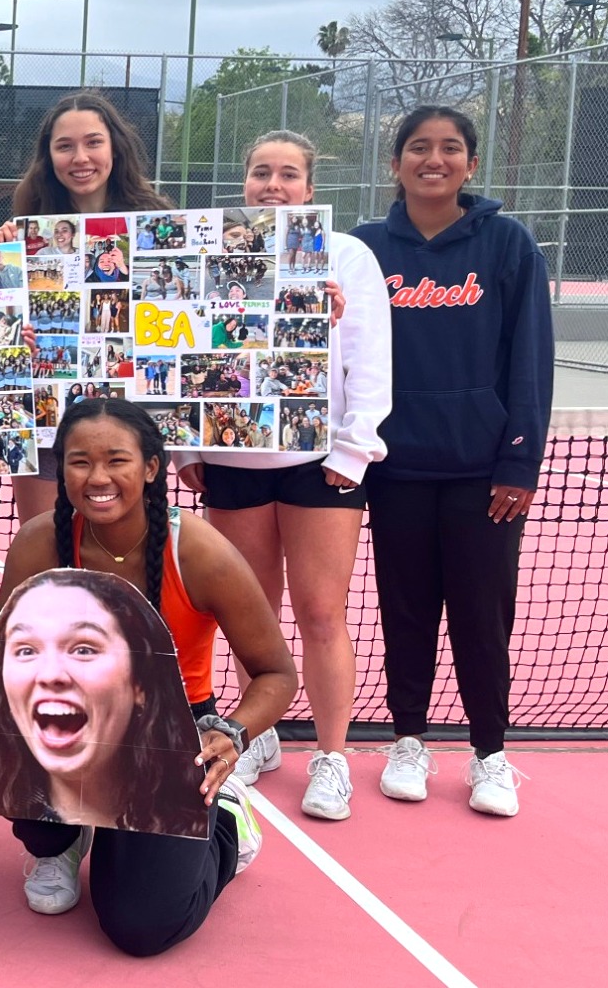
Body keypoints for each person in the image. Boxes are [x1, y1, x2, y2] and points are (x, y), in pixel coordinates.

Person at [0, 397, 296, 956]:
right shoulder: (39, 543)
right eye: (79, 462)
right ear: (61, 469)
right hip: (67, 718)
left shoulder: (198, 552)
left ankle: (226, 825)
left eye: (116, 460)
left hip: (173, 733)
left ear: (150, 468)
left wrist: (233, 733)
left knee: (140, 927)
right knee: (3, 752)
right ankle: (57, 843)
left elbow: (276, 674)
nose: (97, 478)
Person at [172, 130, 391, 822]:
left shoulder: (347, 256)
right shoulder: (209, 251)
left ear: (309, 186)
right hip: (232, 461)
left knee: (321, 613)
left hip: (318, 465)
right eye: (261, 172)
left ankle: (331, 756)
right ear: (244, 181)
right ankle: (256, 735)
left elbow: (369, 358)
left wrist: (353, 450)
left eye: (288, 174)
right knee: (251, 614)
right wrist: (186, 450)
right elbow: (180, 348)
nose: (273, 185)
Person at [351, 106, 552, 818]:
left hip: (481, 474)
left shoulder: (507, 243)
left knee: (480, 618)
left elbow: (529, 359)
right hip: (395, 469)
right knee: (404, 613)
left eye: (449, 148)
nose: (432, 159)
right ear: (395, 163)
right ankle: (407, 741)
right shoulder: (364, 248)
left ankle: (489, 753)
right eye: (417, 147)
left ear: (470, 163)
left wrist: (518, 463)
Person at [0, 93, 175, 526]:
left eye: (93, 142)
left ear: (114, 148)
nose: (80, 157)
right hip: (47, 426)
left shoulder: (158, 225)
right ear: (49, 156)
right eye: (65, 146)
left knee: (124, 554)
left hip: (130, 430)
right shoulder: (22, 233)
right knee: (46, 548)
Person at [0, 570, 212, 836]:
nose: (51, 674)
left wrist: (235, 734)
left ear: (140, 681)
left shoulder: (179, 803)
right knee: (43, 840)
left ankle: (228, 810)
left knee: (144, 865)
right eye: (26, 650)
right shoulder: (9, 785)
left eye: (84, 650)